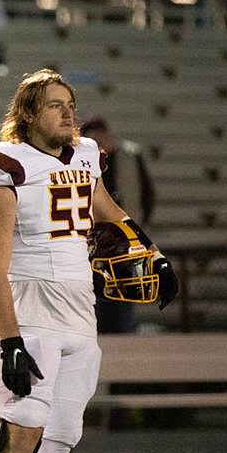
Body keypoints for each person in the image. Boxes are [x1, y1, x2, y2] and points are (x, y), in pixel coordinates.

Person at [0, 68, 178, 453]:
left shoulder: (84, 155)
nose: (68, 113)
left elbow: (104, 208)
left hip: (80, 308)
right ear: (28, 113)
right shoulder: (5, 165)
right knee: (20, 430)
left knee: (61, 436)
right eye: (55, 105)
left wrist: (149, 248)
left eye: (70, 104)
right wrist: (10, 338)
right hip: (30, 306)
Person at [80, 115, 157, 334]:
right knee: (96, 293)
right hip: (93, 236)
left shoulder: (129, 154)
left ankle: (123, 338)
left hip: (125, 234)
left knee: (125, 290)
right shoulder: (81, 159)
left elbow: (147, 192)